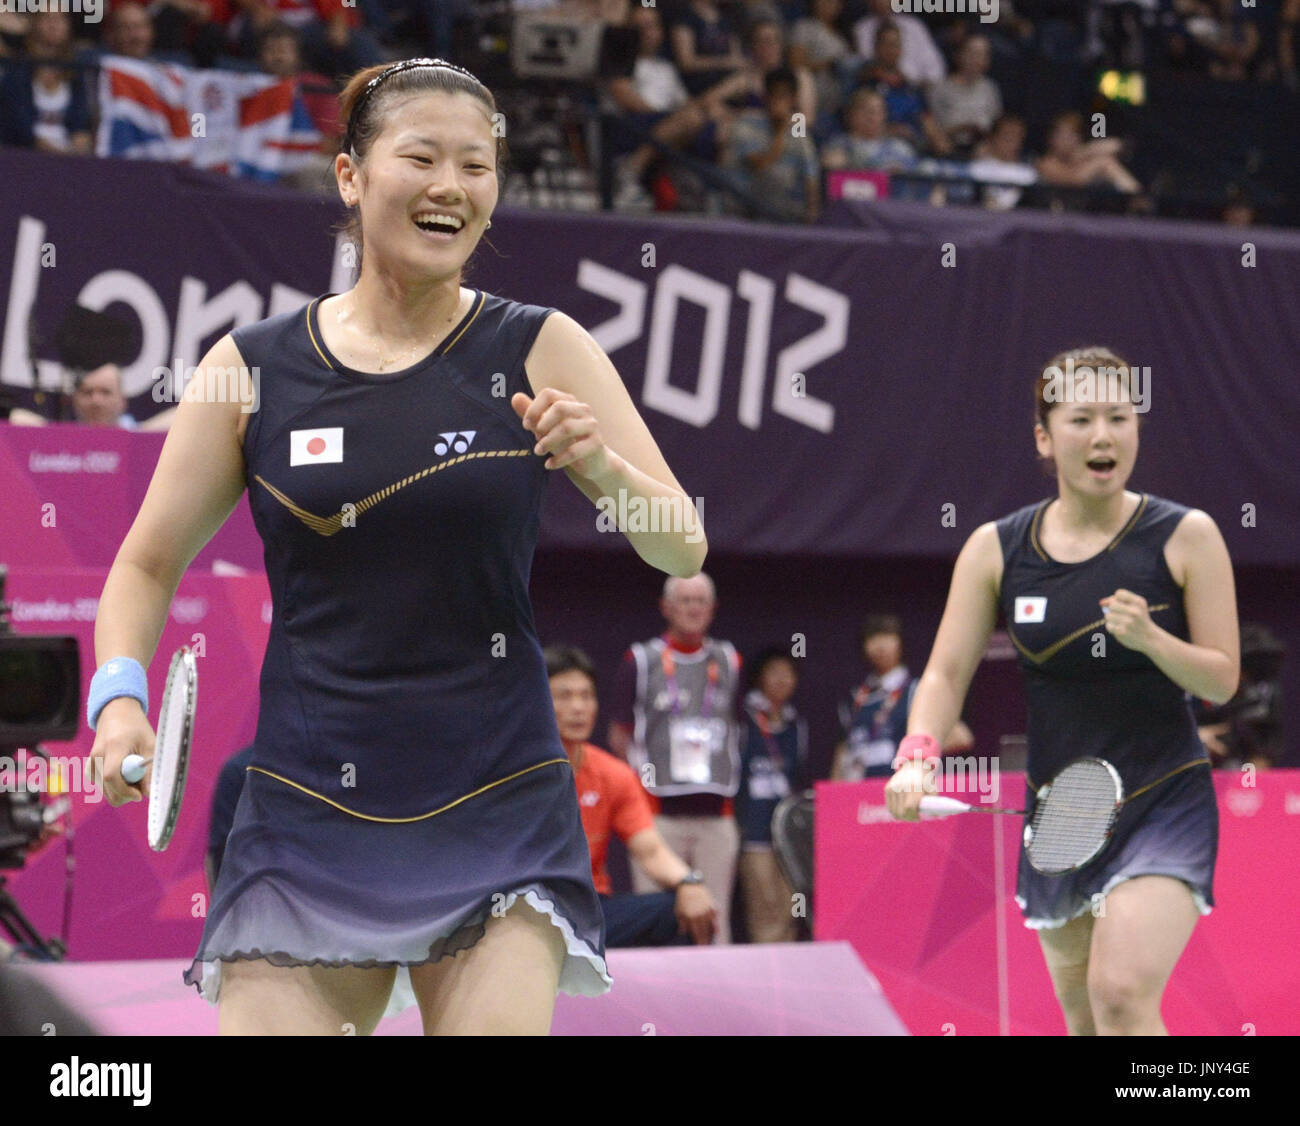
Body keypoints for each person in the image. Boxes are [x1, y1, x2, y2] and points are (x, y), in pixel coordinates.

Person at [84, 56, 707, 1036]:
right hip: (303, 803)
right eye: (420, 156)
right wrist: (118, 697)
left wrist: (604, 473)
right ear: (350, 176)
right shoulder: (248, 369)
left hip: (496, 795)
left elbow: (682, 549)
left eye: (477, 165)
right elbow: (146, 562)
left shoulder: (542, 346)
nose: (451, 187)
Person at [886, 346, 1240, 1036]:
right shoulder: (998, 549)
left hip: (1163, 793)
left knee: (1119, 993)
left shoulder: (1185, 537)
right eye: (1082, 419)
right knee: (1084, 1019)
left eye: (1120, 417)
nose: (1105, 435)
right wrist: (918, 752)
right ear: (1045, 438)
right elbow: (945, 673)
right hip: (1062, 815)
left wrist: (1153, 641)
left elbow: (1223, 679)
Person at [545, 645, 717, 947]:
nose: (578, 707)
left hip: (591, 910)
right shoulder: (513, 776)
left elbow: (650, 851)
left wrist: (689, 883)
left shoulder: (613, 774)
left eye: (586, 696)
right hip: (531, 913)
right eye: (564, 696)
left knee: (683, 911)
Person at [608, 572, 742, 943]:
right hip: (657, 816)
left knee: (716, 920)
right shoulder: (641, 659)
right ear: (666, 607)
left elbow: (737, 728)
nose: (693, 608)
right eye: (685, 600)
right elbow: (620, 734)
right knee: (658, 918)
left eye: (701, 601)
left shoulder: (729, 659)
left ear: (713, 609)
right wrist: (641, 787)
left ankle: (720, 1000)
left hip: (717, 815)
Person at [832, 613, 971, 780]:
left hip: (903, 790)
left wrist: (909, 756)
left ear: (901, 642)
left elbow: (960, 737)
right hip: (859, 795)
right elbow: (841, 753)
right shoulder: (853, 699)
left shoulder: (917, 690)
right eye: (873, 637)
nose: (880, 645)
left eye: (888, 636)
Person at [735, 647, 809, 943]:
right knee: (764, 911)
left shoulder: (796, 725)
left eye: (788, 673)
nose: (782, 680)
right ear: (759, 678)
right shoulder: (741, 722)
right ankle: (768, 981)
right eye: (774, 672)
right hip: (754, 835)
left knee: (791, 912)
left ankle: (788, 979)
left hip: (788, 837)